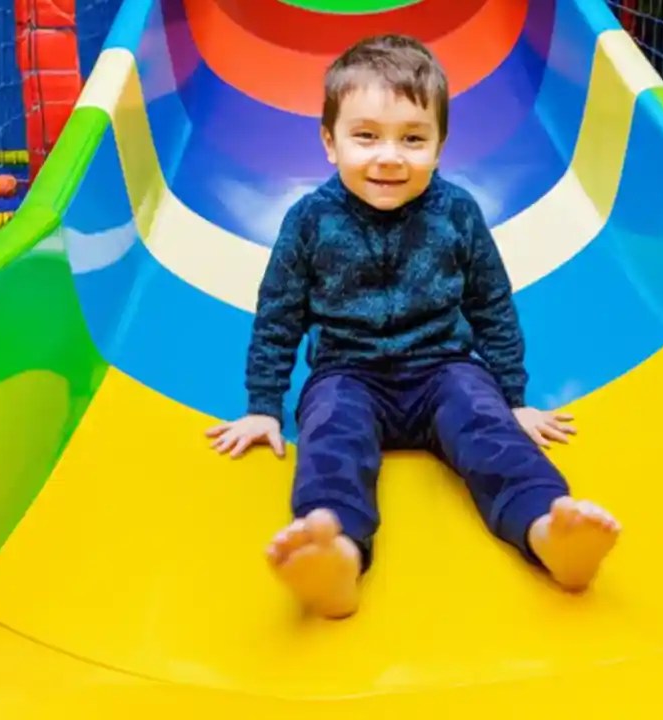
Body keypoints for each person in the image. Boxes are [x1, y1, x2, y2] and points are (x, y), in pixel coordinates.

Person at [205, 34, 621, 619]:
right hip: (347, 374)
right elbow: (279, 315)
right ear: (330, 142)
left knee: (489, 429)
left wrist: (513, 398)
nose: (390, 156)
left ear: (440, 145)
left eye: (413, 139)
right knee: (329, 440)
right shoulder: (308, 221)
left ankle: (548, 531)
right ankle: (337, 553)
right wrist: (263, 406)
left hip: (444, 369)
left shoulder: (457, 214)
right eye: (366, 136)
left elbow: (491, 304)